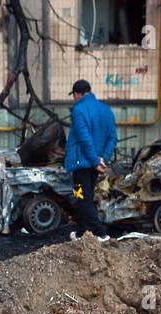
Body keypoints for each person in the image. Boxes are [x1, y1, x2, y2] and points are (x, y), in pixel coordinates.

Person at [64, 79, 117, 239]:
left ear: (78, 94)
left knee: (82, 197)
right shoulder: (106, 110)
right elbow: (113, 138)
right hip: (95, 164)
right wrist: (102, 159)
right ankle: (81, 233)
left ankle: (101, 235)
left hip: (82, 163)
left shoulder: (79, 110)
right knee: (84, 198)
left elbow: (84, 138)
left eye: (73, 95)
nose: (74, 98)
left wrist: (94, 161)